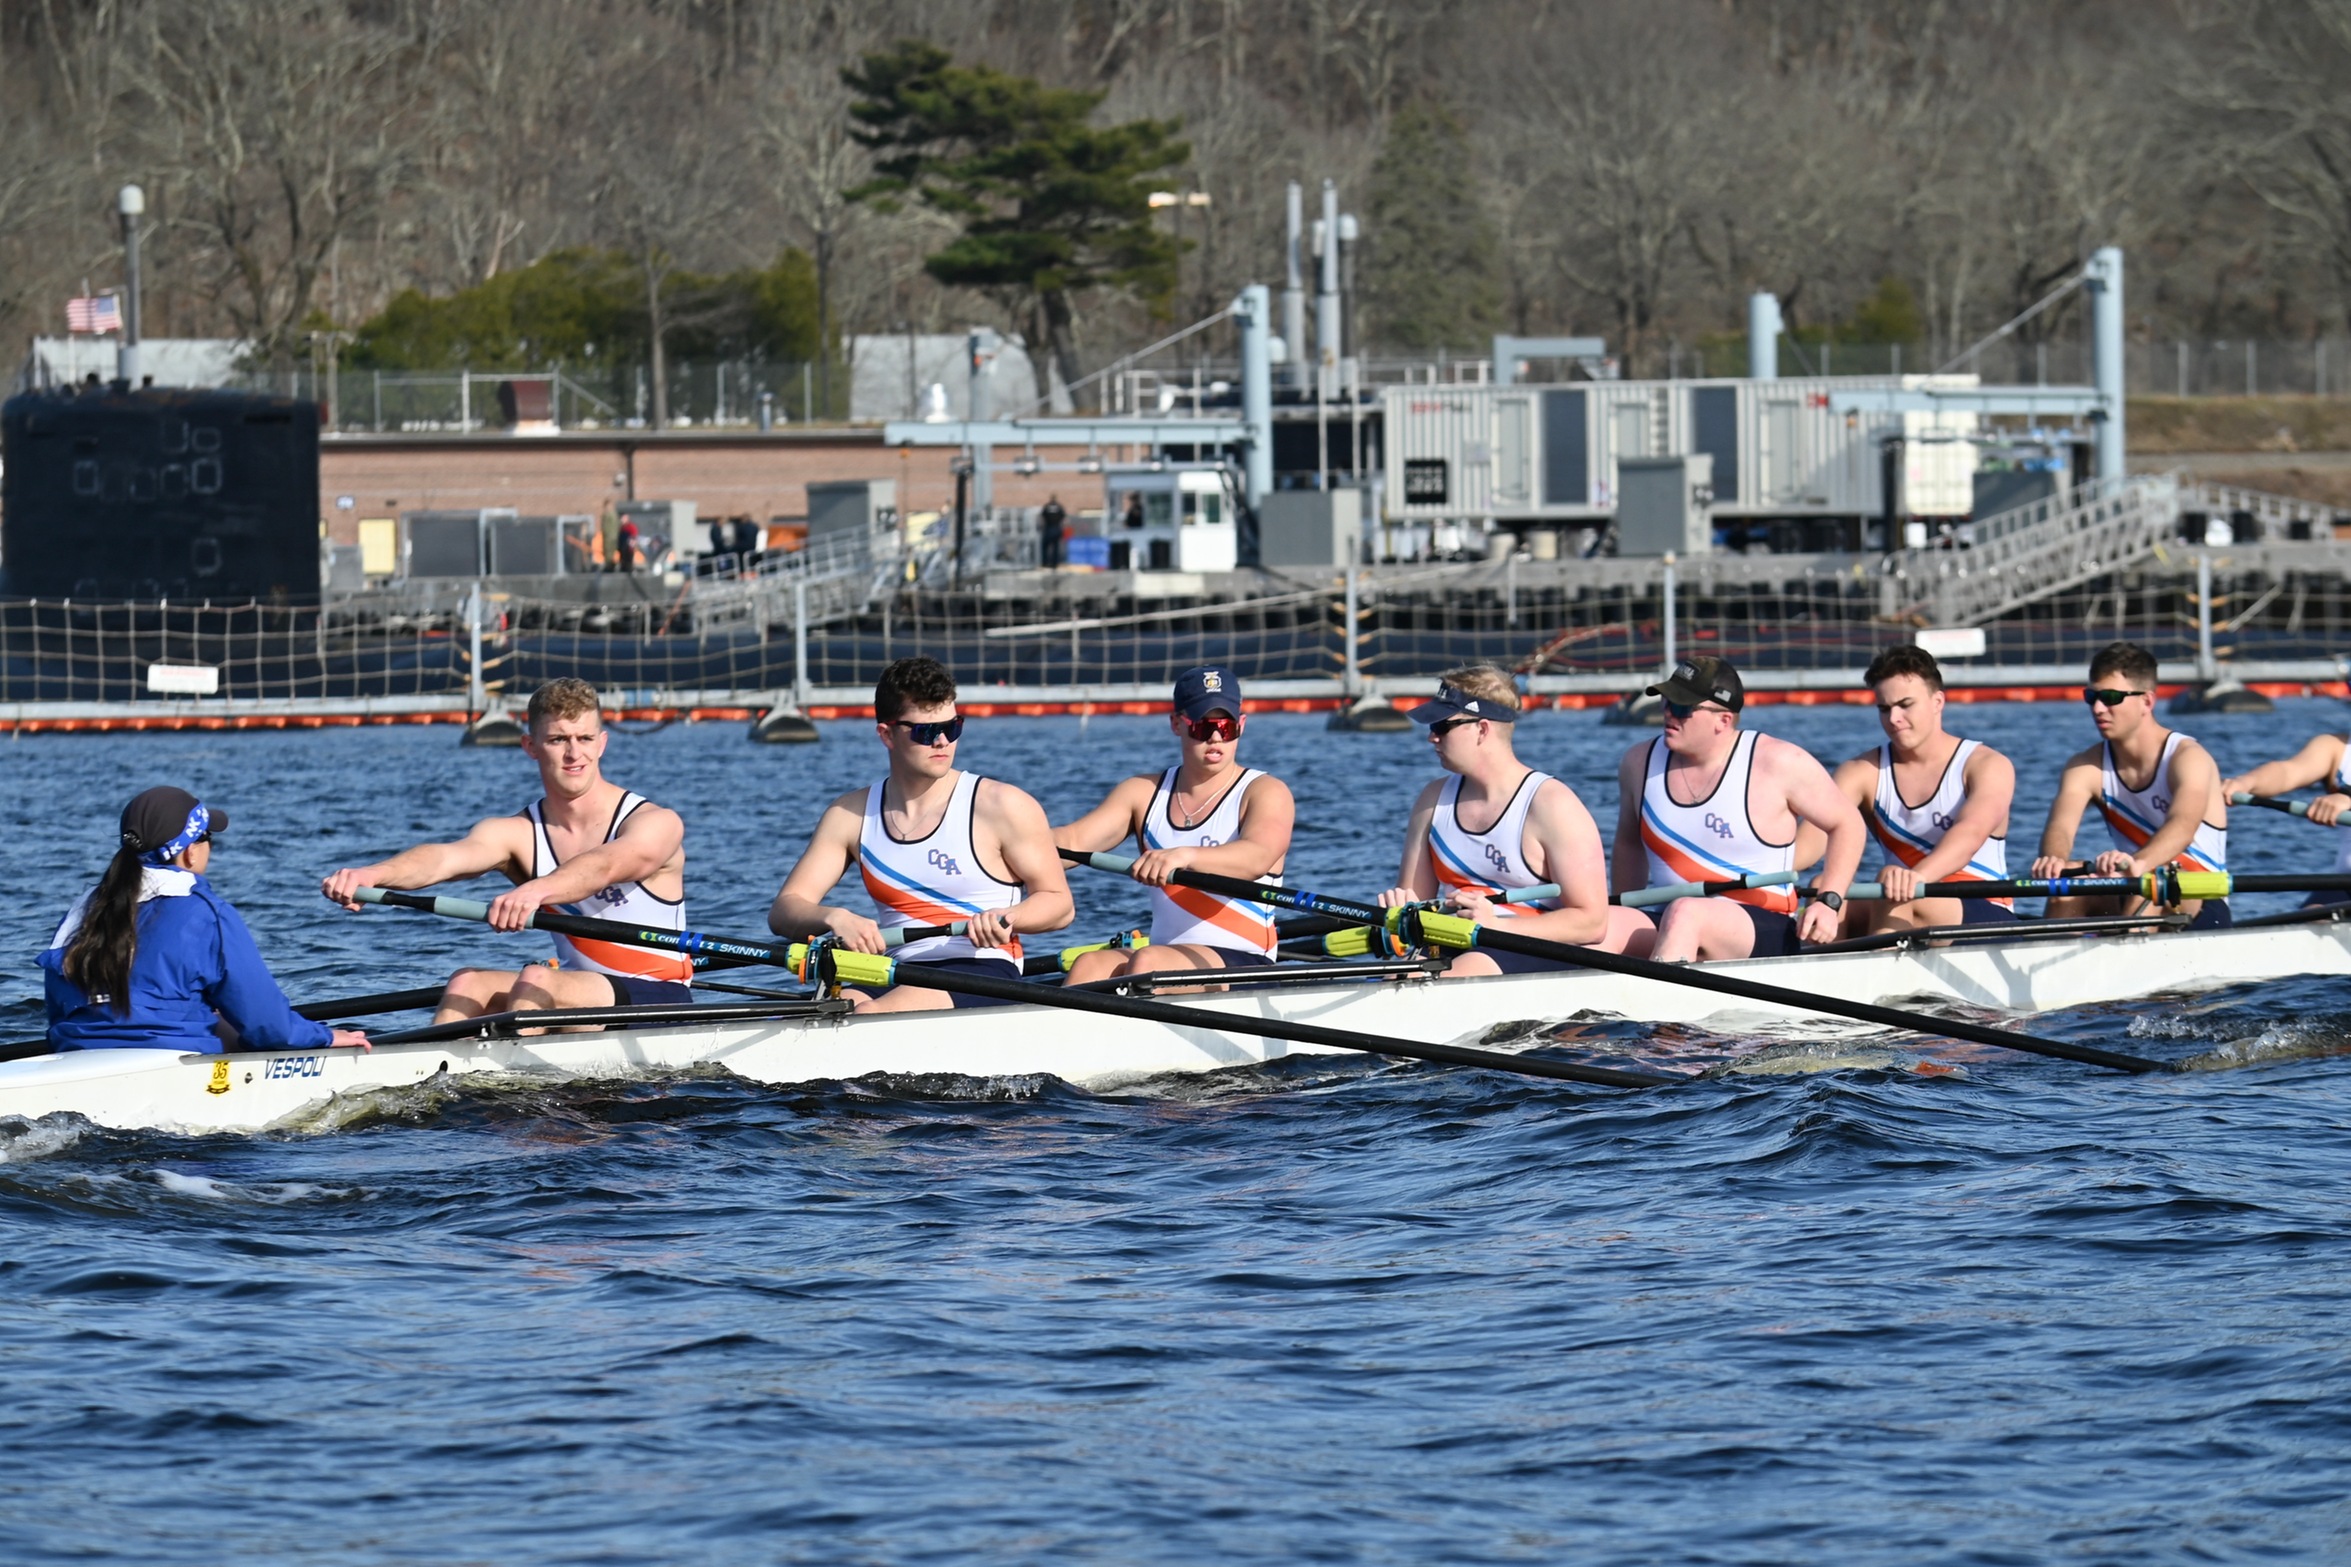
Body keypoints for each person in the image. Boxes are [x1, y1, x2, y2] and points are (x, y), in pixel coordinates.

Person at [321, 678, 691, 1023]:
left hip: (661, 996)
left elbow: (604, 867)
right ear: (530, 746)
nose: (574, 753)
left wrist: (535, 890)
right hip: (578, 991)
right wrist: (373, 875)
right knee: (468, 983)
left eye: (584, 738)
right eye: (558, 739)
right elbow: (445, 859)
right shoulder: (516, 833)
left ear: (602, 743)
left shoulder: (656, 823)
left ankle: (519, 1090)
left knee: (537, 980)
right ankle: (431, 1081)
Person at [768, 656, 1074, 1012]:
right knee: (828, 1008)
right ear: (887, 734)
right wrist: (834, 917)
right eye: (926, 732)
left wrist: (1010, 918)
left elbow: (1059, 904)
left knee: (868, 1013)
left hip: (983, 968)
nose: (943, 741)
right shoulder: (849, 815)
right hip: (893, 972)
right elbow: (784, 911)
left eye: (953, 727)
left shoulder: (1002, 805)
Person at [43, 787, 367, 1054]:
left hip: (76, 1055)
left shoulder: (80, 911)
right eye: (208, 836)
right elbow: (268, 1026)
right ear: (190, 853)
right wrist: (322, 1037)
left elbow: (58, 1011)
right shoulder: (205, 912)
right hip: (172, 1060)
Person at [1376, 665, 1649, 974]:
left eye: (1441, 726)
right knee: (1398, 971)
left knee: (1452, 971)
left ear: (1481, 729)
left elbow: (1592, 922)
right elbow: (1417, 904)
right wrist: (1401, 913)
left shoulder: (1552, 805)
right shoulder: (1432, 800)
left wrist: (1496, 927)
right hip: (1460, 941)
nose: (1431, 738)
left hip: (1533, 947)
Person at [1611, 656, 1865, 960]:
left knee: (1686, 913)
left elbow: (1848, 824)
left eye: (1682, 708)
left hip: (1763, 924)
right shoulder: (1638, 763)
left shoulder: (1778, 762)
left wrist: (1829, 902)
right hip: (1671, 917)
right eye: (1666, 702)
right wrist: (1623, 909)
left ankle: (1650, 1005)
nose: (1668, 713)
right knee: (1600, 926)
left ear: (1723, 720)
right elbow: (1628, 843)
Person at [1054, 666, 1296, 985]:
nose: (1215, 737)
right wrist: (1000, 847)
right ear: (1176, 724)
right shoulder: (1143, 793)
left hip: (1246, 960)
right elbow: (1072, 840)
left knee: (1148, 963)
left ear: (1242, 725)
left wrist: (1184, 856)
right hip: (1166, 956)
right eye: (1203, 726)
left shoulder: (1264, 792)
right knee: (1088, 966)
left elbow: (1257, 857)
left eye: (1226, 726)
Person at [2032, 640, 2231, 926]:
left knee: (2150, 878)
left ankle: (2125, 949)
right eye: (2092, 696)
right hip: (2130, 883)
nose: (2098, 709)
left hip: (2198, 897)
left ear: (2147, 701)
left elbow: (2182, 826)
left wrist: (2138, 861)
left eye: (2111, 697)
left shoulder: (2188, 758)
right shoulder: (2084, 766)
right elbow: (2060, 826)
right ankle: (2049, 954)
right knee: (2070, 880)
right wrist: (2054, 859)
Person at [1827, 645, 2020, 933]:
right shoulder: (1860, 772)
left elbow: (1969, 835)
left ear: (1937, 701)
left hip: (1985, 911)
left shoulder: (1986, 765)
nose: (1893, 719)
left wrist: (1915, 879)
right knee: (1826, 889)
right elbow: (1813, 839)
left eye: (1905, 705)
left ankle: (1880, 970)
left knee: (1891, 886)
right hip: (1902, 897)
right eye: (1884, 708)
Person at [2219, 722, 2351, 905]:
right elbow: (2288, 772)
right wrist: (2245, 783)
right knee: (2313, 916)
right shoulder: (2335, 748)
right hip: (2344, 884)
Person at [1038, 495, 1068, 570]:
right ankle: (1054, 564)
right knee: (1056, 547)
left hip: (1048, 528)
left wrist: (1041, 527)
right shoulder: (1059, 507)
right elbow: (1064, 518)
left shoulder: (1047, 507)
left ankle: (1045, 563)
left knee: (1045, 547)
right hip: (1056, 528)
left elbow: (1042, 517)